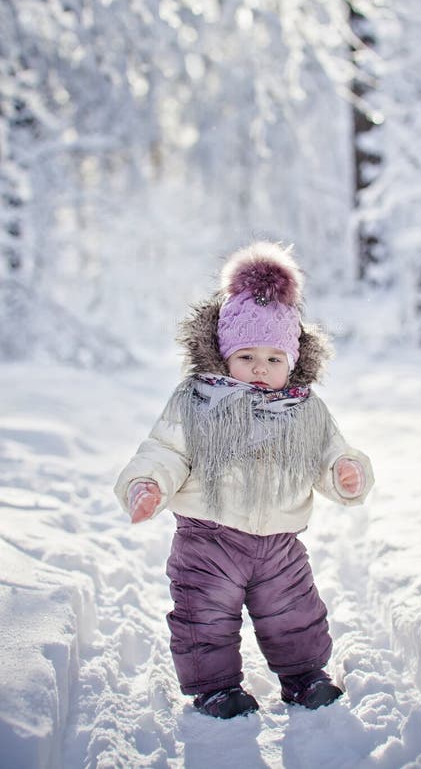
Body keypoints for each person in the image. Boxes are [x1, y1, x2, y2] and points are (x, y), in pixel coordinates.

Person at [114, 241, 374, 720]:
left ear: (293, 361)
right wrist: (148, 484)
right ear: (223, 355)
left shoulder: (305, 409)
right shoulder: (198, 400)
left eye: (274, 359)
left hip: (278, 541)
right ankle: (215, 687)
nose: (260, 368)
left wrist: (345, 472)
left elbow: (328, 453)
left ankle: (304, 677)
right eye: (247, 356)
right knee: (204, 616)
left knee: (294, 612)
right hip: (208, 539)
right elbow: (165, 450)